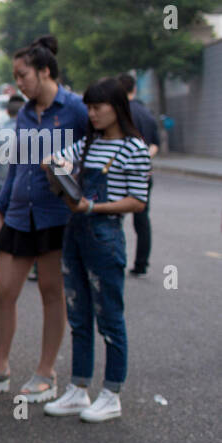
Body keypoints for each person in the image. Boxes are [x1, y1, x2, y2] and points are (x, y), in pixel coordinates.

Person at [0, 35, 87, 402]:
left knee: (52, 294)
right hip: (20, 212)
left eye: (23, 75)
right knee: (4, 293)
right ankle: (0, 367)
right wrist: (1, 210)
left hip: (56, 216)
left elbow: (88, 161)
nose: (18, 83)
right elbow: (17, 164)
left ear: (45, 71)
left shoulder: (76, 111)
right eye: (16, 77)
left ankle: (45, 372)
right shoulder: (23, 113)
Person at [39, 78, 150, 423]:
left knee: (110, 319)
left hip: (105, 235)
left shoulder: (134, 148)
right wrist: (54, 168)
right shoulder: (88, 143)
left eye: (97, 106)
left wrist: (92, 208)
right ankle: (78, 388)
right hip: (75, 234)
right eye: (88, 107)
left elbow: (138, 202)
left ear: (116, 107)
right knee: (79, 316)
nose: (92, 113)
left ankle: (112, 393)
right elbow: (54, 160)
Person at [116, 73, 158, 277]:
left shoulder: (119, 113)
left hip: (119, 173)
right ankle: (141, 264)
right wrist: (143, 159)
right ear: (134, 88)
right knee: (142, 219)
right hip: (144, 174)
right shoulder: (147, 114)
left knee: (114, 217)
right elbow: (155, 145)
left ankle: (116, 259)